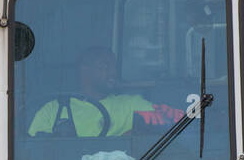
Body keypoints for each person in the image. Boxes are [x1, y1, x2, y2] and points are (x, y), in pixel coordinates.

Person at [28, 47, 172, 137]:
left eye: (114, 67)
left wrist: (137, 134)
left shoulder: (131, 103)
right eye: (105, 66)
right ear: (85, 70)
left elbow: (169, 123)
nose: (113, 72)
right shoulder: (54, 109)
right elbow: (34, 150)